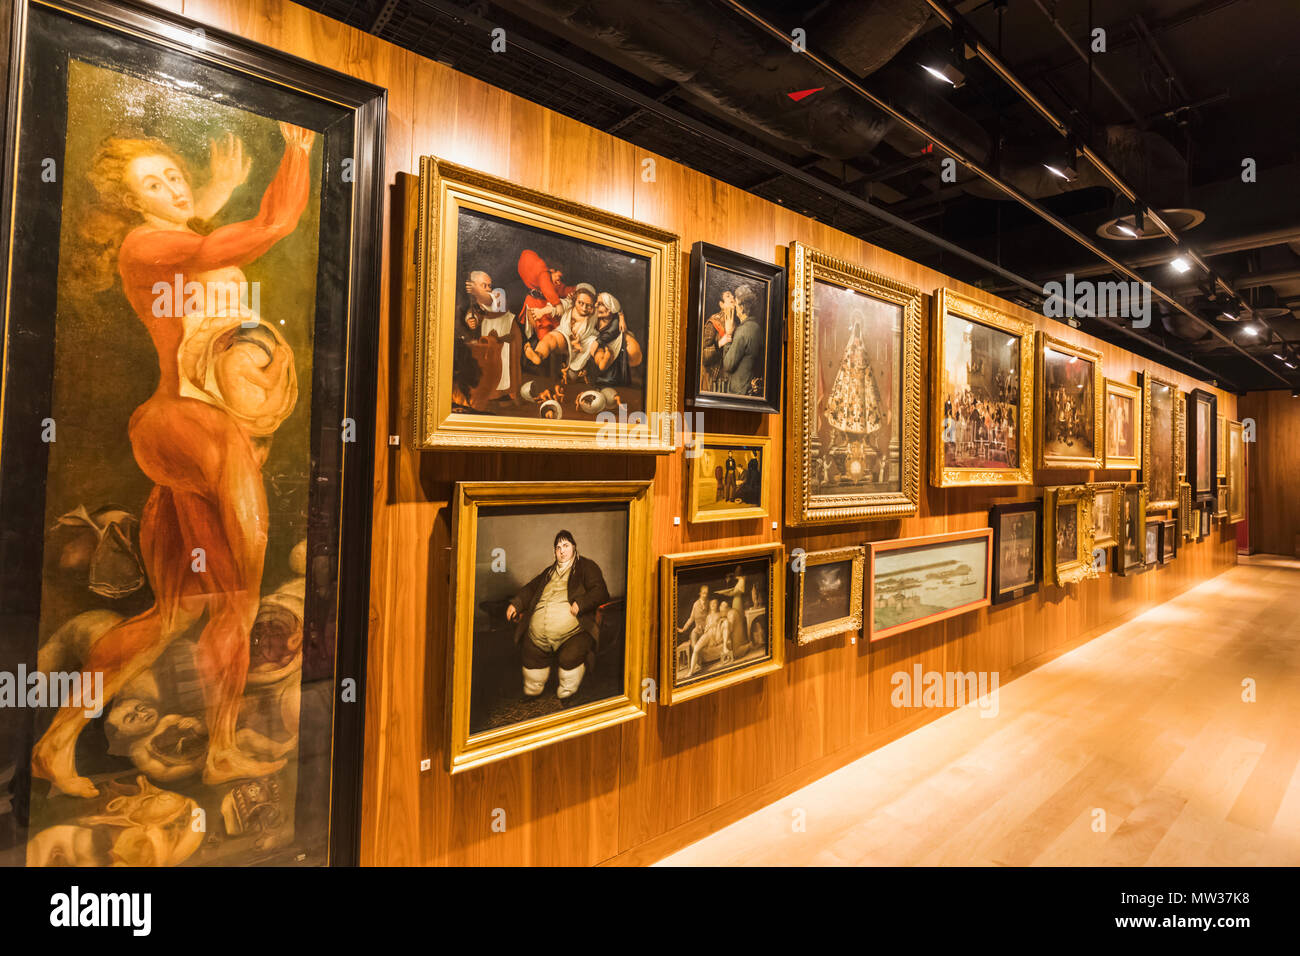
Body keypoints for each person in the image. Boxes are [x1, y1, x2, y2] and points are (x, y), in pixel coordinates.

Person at [32, 126, 314, 799]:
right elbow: (271, 226)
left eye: (172, 174)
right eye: (151, 185)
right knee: (240, 600)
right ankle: (220, 749)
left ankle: (56, 743)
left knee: (176, 612)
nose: (172, 188)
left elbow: (195, 237)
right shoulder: (144, 245)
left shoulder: (173, 237)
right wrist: (299, 150)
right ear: (133, 205)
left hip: (185, 434)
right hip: (189, 425)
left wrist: (211, 191)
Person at [506, 530, 609, 701]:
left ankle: (568, 691)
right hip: (538, 634)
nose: (562, 551)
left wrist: (581, 603)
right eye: (558, 547)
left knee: (570, 657)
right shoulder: (549, 572)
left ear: (574, 547)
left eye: (566, 545)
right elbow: (531, 588)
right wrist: (516, 604)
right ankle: (533, 691)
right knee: (531, 653)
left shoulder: (586, 566)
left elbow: (601, 591)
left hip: (574, 632)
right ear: (554, 552)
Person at [720, 285, 763, 395]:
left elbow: (728, 365)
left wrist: (728, 333)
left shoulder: (743, 330)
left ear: (742, 307)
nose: (734, 305)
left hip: (739, 392)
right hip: (749, 389)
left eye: (736, 302)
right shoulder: (757, 327)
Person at [701, 289, 734, 391]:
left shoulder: (737, 323)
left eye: (733, 296)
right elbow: (703, 356)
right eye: (728, 296)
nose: (732, 297)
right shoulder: (714, 322)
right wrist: (720, 343)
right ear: (721, 304)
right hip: (713, 378)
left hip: (729, 380)